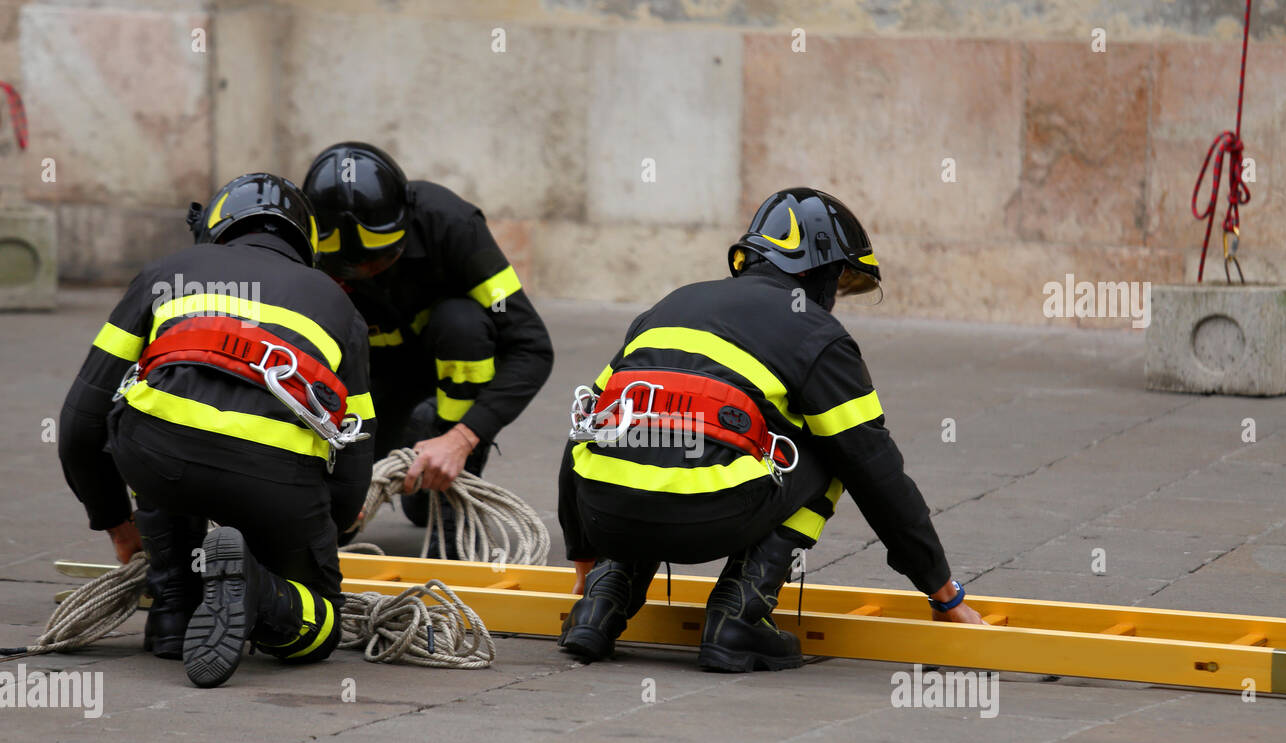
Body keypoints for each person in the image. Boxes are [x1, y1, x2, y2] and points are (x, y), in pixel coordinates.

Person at [557, 187, 984, 672]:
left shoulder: (670, 306)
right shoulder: (819, 336)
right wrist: (942, 591)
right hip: (707, 516)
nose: (837, 296)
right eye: (840, 280)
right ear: (818, 269)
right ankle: (738, 617)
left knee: (639, 433)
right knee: (836, 447)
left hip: (607, 510)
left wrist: (584, 557)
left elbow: (585, 428)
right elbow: (876, 470)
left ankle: (601, 606)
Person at [58, 173, 375, 688]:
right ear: (306, 244)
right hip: (277, 475)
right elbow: (356, 448)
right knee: (323, 626)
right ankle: (260, 592)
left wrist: (117, 523)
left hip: (158, 456)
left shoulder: (166, 272)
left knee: (155, 424)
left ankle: (173, 611)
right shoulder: (339, 306)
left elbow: (79, 422)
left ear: (213, 227)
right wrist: (314, 538)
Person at [302, 142, 553, 552]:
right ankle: (394, 473)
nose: (366, 273)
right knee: (334, 520)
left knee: (463, 323)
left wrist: (462, 438)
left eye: (379, 260)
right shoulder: (304, 247)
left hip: (447, 379)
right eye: (351, 268)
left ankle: (449, 489)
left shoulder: (451, 225)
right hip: (365, 386)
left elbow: (531, 347)